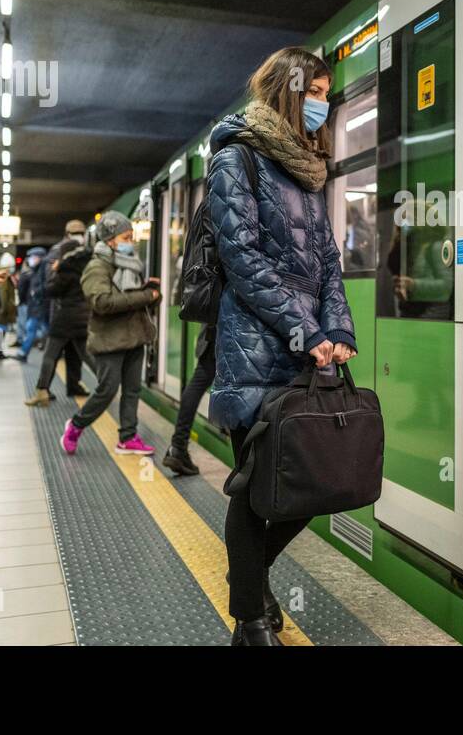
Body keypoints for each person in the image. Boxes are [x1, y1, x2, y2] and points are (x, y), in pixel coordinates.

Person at [206, 47, 356, 646]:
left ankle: (247, 579)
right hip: (253, 349)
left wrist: (337, 331)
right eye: (315, 91)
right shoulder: (235, 160)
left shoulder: (308, 170)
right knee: (255, 489)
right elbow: (242, 260)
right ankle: (251, 619)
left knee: (307, 489)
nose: (324, 102)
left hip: (304, 350)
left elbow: (327, 263)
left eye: (327, 91)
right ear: (288, 94)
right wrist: (307, 332)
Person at [59, 212, 159, 456]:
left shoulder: (129, 264)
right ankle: (76, 425)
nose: (131, 241)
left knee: (133, 389)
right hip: (109, 340)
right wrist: (145, 296)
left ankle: (128, 437)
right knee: (107, 389)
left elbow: (128, 298)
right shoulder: (96, 267)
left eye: (132, 236)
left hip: (134, 335)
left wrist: (150, 292)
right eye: (126, 236)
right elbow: (102, 303)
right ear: (111, 240)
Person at [25, 219, 94, 405]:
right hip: (83, 315)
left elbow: (49, 289)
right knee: (84, 355)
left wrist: (56, 270)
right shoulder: (89, 261)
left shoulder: (63, 265)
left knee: (51, 353)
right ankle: (106, 384)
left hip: (64, 316)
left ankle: (42, 390)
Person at [162, 324, 212, 476]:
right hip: (224, 331)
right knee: (200, 381)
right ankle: (178, 447)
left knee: (199, 380)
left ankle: (177, 447)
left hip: (212, 333)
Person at [13, 246, 48, 361]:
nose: (30, 260)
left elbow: (42, 288)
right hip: (34, 307)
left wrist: (34, 293)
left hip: (37, 307)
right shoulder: (35, 272)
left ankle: (23, 352)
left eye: (33, 257)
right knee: (37, 329)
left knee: (32, 330)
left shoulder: (40, 272)